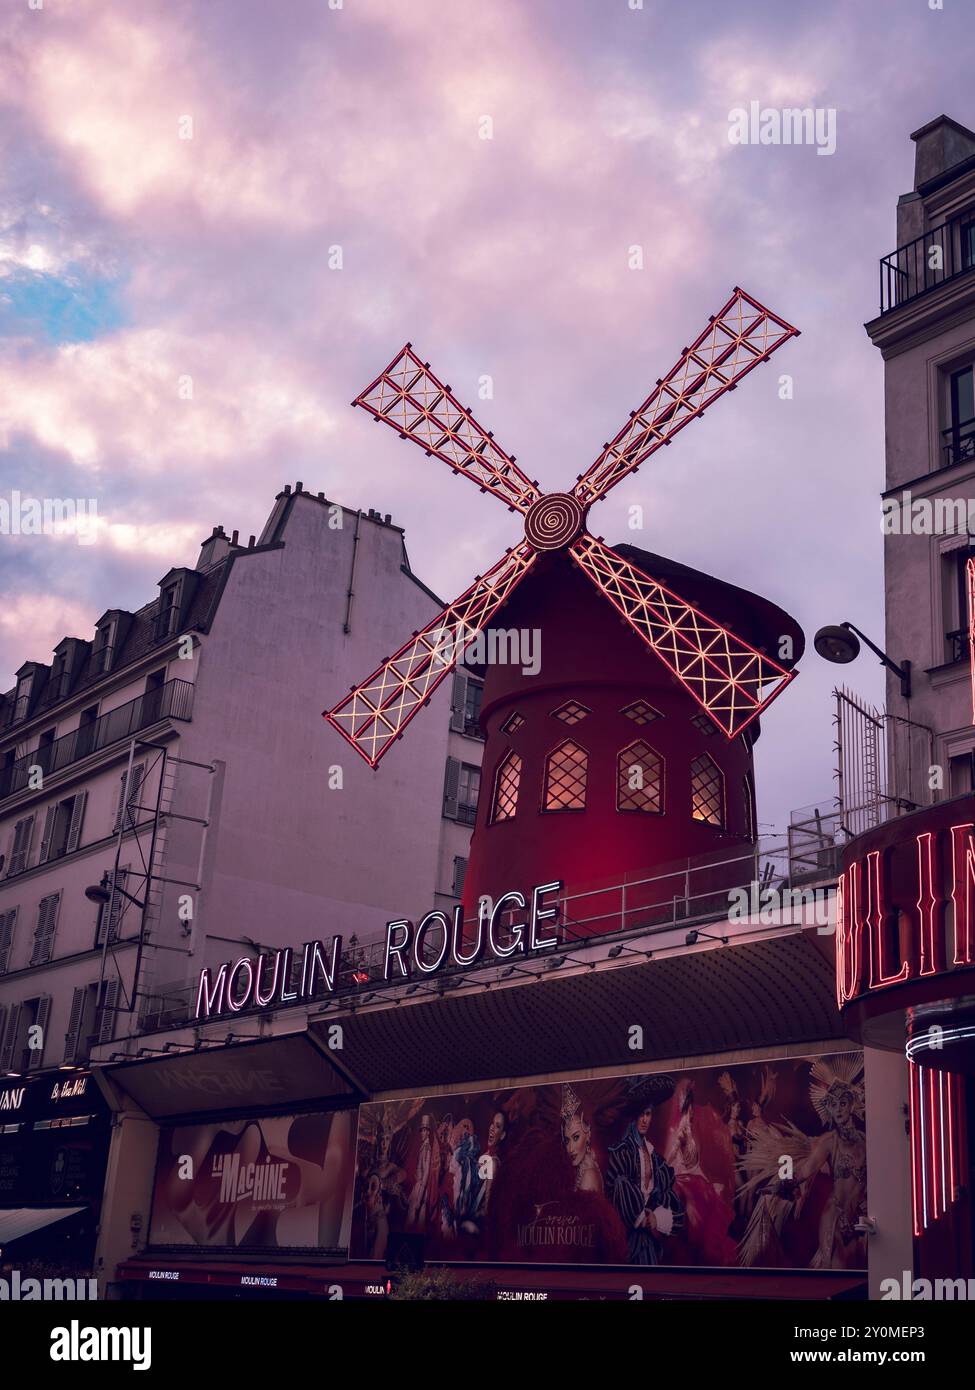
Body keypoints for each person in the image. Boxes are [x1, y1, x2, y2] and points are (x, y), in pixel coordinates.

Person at [606, 1075, 683, 1265]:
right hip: (627, 1241)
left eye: (648, 1114)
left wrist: (656, 1219)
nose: (644, 1120)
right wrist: (641, 1219)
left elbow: (670, 1200)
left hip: (650, 1243)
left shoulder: (656, 1159)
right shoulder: (621, 1153)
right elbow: (616, 1192)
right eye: (641, 1114)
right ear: (634, 1116)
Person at [560, 1083, 603, 1193]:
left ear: (588, 1135)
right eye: (567, 1141)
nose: (570, 1149)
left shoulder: (588, 1176)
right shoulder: (582, 1167)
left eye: (576, 1137)